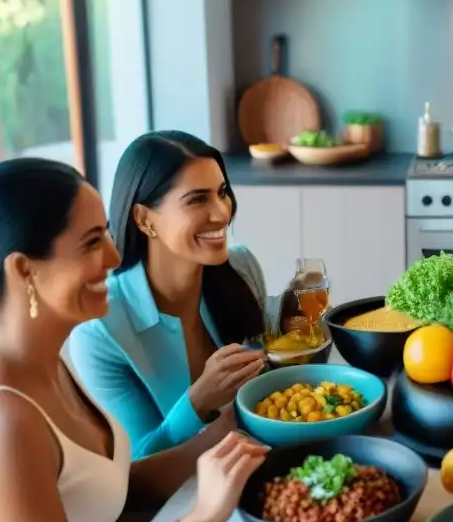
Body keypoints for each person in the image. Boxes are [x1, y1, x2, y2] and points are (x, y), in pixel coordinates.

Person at [0, 159, 268, 522]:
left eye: (105, 233)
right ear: (23, 270)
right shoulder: (0, 419)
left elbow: (112, 485)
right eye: (90, 243)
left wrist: (232, 428)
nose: (114, 254)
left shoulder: (45, 361)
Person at [69, 131, 292, 459]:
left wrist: (293, 329)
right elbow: (137, 467)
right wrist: (197, 402)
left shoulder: (241, 266)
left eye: (222, 192)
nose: (222, 213)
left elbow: (275, 391)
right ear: (145, 219)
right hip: (179, 500)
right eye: (198, 199)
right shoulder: (99, 330)